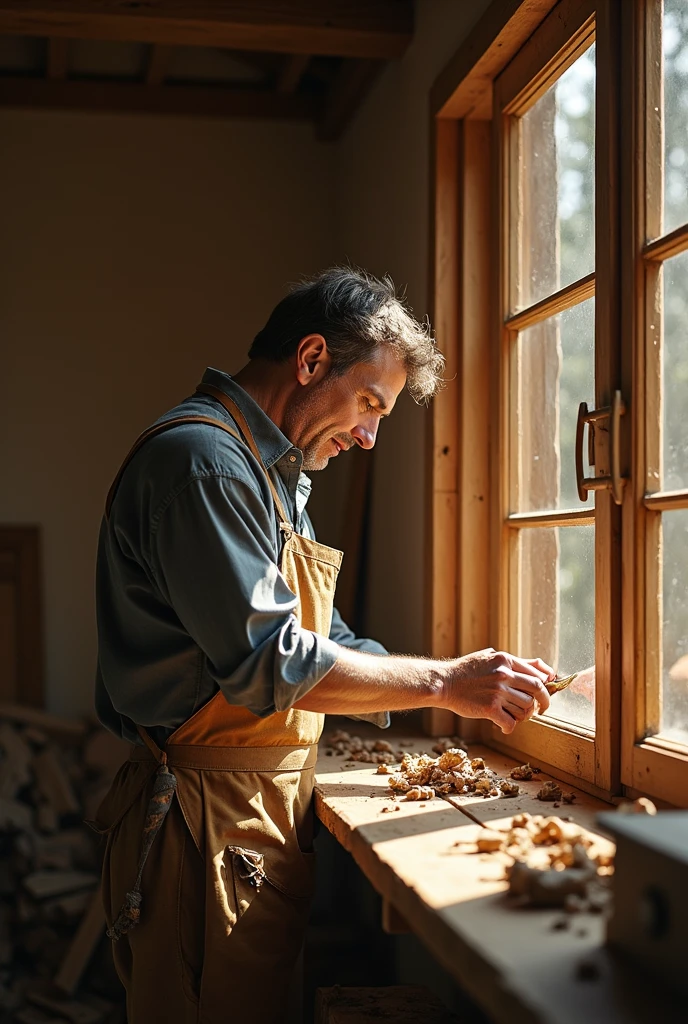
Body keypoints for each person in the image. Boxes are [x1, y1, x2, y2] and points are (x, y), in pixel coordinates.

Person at [94, 267, 554, 1024]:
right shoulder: (205, 465)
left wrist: (461, 683)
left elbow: (323, 640)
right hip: (202, 821)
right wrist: (443, 683)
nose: (370, 436)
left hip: (251, 809)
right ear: (310, 361)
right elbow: (275, 663)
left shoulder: (271, 474)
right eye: (370, 403)